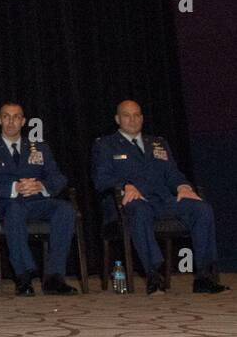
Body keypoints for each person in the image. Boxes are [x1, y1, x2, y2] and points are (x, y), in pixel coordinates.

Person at [92, 100, 227, 294]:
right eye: (127, 115)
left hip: (163, 201)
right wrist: (124, 185)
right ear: (117, 119)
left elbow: (173, 174)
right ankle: (154, 273)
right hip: (131, 203)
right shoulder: (106, 145)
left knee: (201, 208)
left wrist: (183, 187)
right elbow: (100, 179)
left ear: (143, 118)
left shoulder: (158, 143)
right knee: (139, 210)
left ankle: (205, 276)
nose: (133, 119)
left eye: (137, 115)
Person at [0, 102, 78, 296]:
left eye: (16, 117)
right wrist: (14, 188)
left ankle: (54, 276)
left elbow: (59, 178)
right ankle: (24, 275)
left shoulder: (39, 147)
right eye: (6, 116)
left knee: (65, 209)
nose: (11, 121)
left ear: (23, 121)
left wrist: (42, 186)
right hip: (5, 203)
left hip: (37, 202)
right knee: (15, 210)